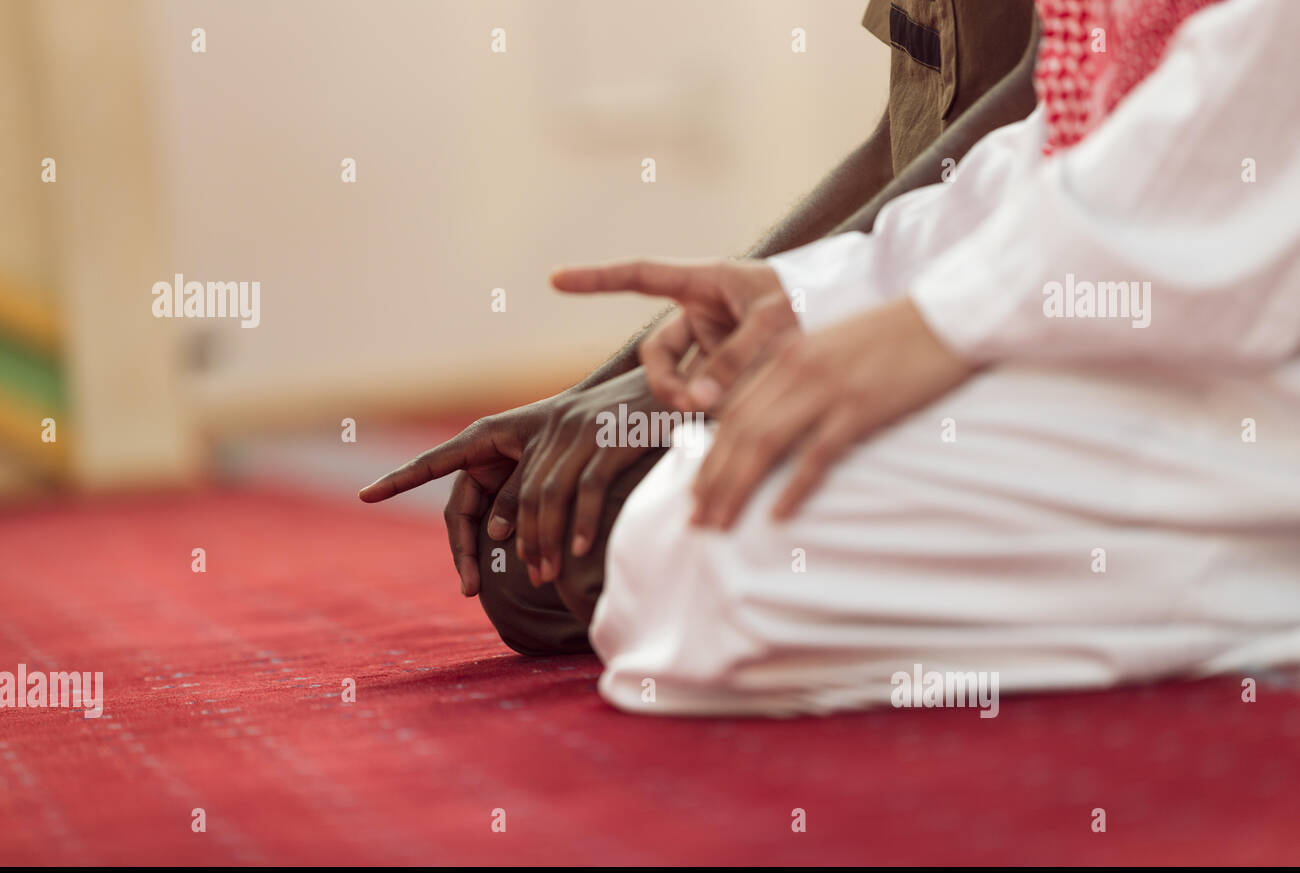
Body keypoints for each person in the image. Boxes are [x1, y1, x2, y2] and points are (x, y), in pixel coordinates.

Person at [547, 0, 1300, 715]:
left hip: (1242, 352)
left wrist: (938, 323)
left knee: (717, 550)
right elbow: (1063, 141)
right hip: (1136, 305)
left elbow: (1243, 126)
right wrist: (805, 292)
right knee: (650, 534)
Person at [360, 1, 1042, 655]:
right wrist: (600, 392)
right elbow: (897, 142)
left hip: (1010, 313)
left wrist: (696, 375)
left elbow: (1031, 127)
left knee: (599, 545)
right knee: (527, 557)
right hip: (884, 289)